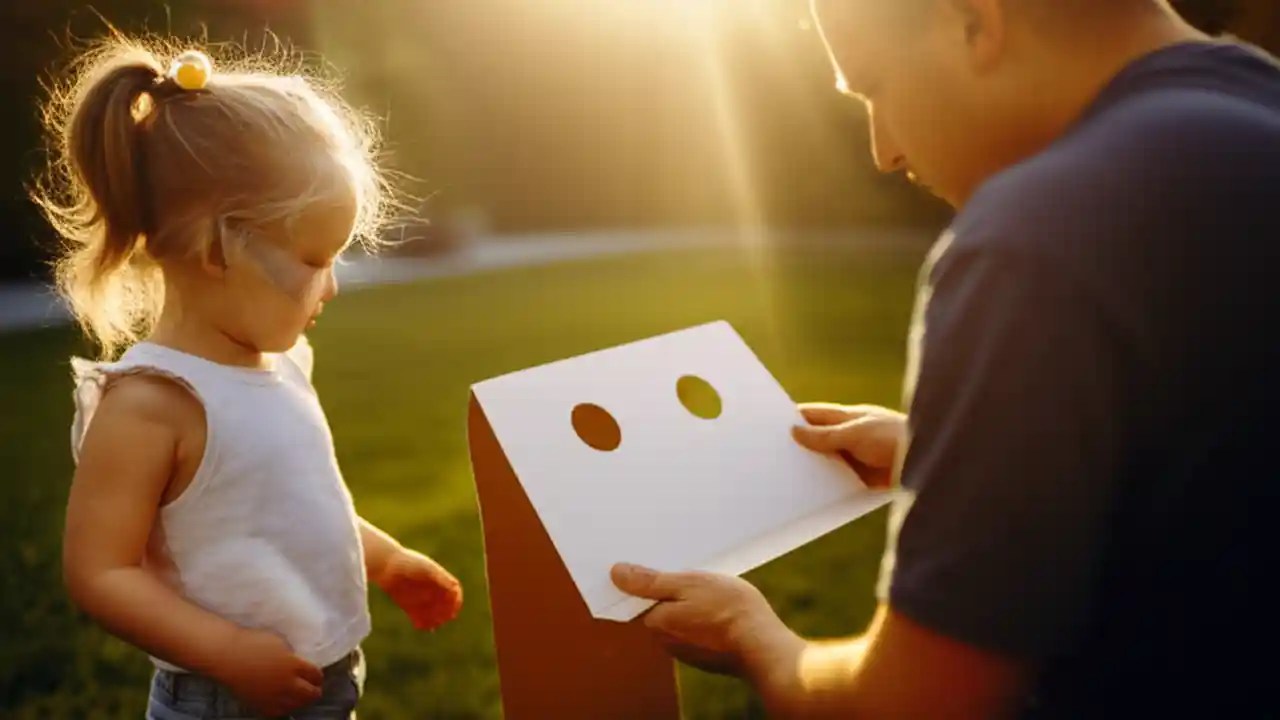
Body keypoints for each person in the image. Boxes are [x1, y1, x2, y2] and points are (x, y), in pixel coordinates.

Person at [613, 0, 1278, 716]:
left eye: (873, 87)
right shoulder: (1254, 108)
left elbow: (913, 704)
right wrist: (947, 456)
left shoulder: (1042, 235)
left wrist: (755, 637)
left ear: (976, 21)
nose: (884, 150)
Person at [39, 39, 463, 719]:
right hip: (224, 697)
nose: (331, 286)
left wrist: (385, 559)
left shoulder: (282, 367)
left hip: (321, 679)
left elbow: (294, 507)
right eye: (313, 258)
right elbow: (100, 573)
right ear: (218, 248)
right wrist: (227, 650)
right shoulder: (152, 403)